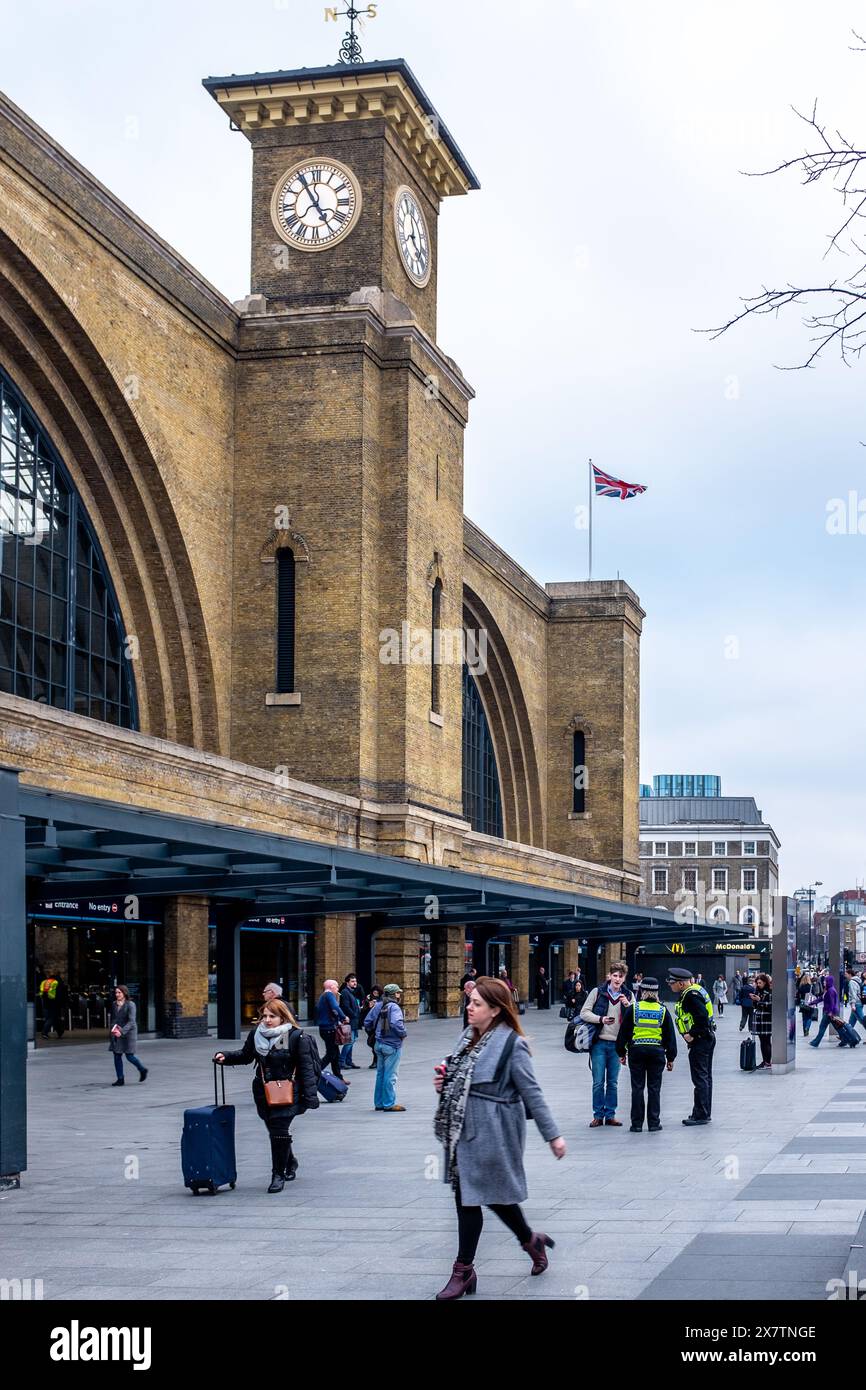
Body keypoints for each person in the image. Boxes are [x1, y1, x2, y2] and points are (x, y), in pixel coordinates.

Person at [432, 976, 566, 1300]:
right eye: (470, 1002)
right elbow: (456, 1074)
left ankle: (473, 1266)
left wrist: (554, 1137)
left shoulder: (511, 1043)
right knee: (472, 1196)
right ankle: (474, 1266)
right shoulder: (466, 1037)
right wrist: (444, 1081)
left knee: (491, 1196)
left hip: (494, 1130)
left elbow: (532, 1093)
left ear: (495, 1009)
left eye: (477, 1003)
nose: (470, 1008)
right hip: (463, 1128)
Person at [214, 998, 320, 1192]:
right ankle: (290, 1161)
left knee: (278, 1130)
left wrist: (310, 1097)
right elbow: (246, 1055)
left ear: (283, 1017)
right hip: (264, 1094)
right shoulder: (257, 1035)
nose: (268, 1020)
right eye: (265, 1016)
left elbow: (307, 1068)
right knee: (275, 1131)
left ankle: (277, 1174)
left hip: (288, 1092)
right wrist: (226, 1056)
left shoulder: (295, 1037)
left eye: (273, 1016)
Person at [616, 976, 677, 1132]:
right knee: (654, 1088)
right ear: (657, 992)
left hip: (637, 1051)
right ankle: (654, 1123)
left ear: (642, 991)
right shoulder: (662, 1010)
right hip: (656, 1052)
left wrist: (621, 1053)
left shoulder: (634, 1008)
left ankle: (636, 1124)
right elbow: (670, 1036)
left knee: (637, 1088)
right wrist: (670, 1058)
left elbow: (623, 1033)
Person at [579, 961, 632, 1127]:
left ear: (624, 979)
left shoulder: (628, 995)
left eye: (620, 976)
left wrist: (628, 1006)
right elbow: (584, 1013)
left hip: (617, 1045)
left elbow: (634, 1019)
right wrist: (600, 1019)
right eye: (614, 975)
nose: (617, 979)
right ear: (609, 976)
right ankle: (597, 1115)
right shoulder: (598, 992)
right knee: (598, 1082)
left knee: (613, 1082)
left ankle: (610, 1114)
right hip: (599, 1043)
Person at [668, 967, 715, 1125]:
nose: (670, 985)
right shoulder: (695, 991)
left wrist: (691, 1035)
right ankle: (704, 1112)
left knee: (700, 1078)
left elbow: (702, 1018)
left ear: (681, 984)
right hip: (706, 1038)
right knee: (705, 1077)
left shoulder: (691, 996)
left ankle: (701, 1114)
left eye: (672, 982)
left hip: (700, 1040)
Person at [364, 983, 407, 1111]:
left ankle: (379, 1103)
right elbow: (395, 1023)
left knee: (380, 1074)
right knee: (391, 1075)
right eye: (398, 993)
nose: (399, 995)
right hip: (392, 1044)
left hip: (378, 1044)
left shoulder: (378, 1005)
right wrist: (403, 1033)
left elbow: (367, 1022)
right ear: (394, 995)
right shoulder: (394, 1007)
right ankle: (389, 1103)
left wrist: (377, 1032)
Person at [108, 985, 148, 1086]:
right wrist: (113, 1030)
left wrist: (121, 1032)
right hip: (117, 1031)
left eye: (119, 992)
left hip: (129, 1032)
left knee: (129, 1056)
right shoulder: (114, 1004)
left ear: (124, 993)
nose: (117, 995)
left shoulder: (131, 1004)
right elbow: (113, 1019)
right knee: (117, 1055)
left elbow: (131, 1022)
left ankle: (142, 1070)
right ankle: (120, 1079)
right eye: (116, 993)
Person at [315, 978, 349, 1081]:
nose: (338, 988)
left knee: (335, 1055)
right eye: (337, 986)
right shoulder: (329, 995)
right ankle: (314, 1073)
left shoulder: (323, 997)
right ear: (331, 987)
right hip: (329, 1029)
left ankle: (339, 1077)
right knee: (331, 1054)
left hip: (326, 1029)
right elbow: (335, 1007)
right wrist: (344, 1017)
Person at [339, 973, 362, 1070]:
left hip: (355, 1021)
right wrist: (354, 1014)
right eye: (352, 981)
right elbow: (346, 1006)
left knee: (352, 1042)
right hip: (351, 1021)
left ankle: (349, 1061)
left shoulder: (351, 992)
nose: (355, 983)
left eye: (355, 981)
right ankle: (341, 1062)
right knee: (349, 1042)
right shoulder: (345, 992)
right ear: (347, 983)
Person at [752, 973, 773, 1069]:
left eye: (760, 983)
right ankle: (765, 1060)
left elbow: (770, 1006)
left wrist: (760, 1000)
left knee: (766, 1040)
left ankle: (768, 1061)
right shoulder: (758, 991)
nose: (758, 984)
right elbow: (756, 1006)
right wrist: (755, 1000)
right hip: (760, 1019)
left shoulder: (769, 992)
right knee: (762, 1041)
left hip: (767, 1020)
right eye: (757, 983)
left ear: (765, 982)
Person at [361, 984, 382, 1068]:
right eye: (374, 992)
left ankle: (376, 1061)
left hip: (378, 1024)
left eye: (377, 992)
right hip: (370, 1025)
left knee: (375, 1044)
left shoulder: (382, 1000)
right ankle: (376, 1061)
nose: (375, 994)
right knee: (372, 1043)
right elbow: (363, 1010)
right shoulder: (368, 998)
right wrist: (369, 1006)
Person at [844, 968, 866, 1035]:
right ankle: (845, 1038)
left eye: (846, 974)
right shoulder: (858, 980)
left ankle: (845, 1038)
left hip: (856, 1004)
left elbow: (853, 994)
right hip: (859, 1003)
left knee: (863, 1021)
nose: (845, 975)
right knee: (851, 1022)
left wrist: (853, 1005)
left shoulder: (852, 982)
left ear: (850, 974)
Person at [39, 973, 60, 1039]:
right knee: (51, 1017)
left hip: (44, 1000)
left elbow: (41, 991)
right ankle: (44, 1033)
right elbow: (58, 991)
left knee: (48, 1017)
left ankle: (59, 1031)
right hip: (52, 1000)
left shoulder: (44, 982)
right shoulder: (55, 982)